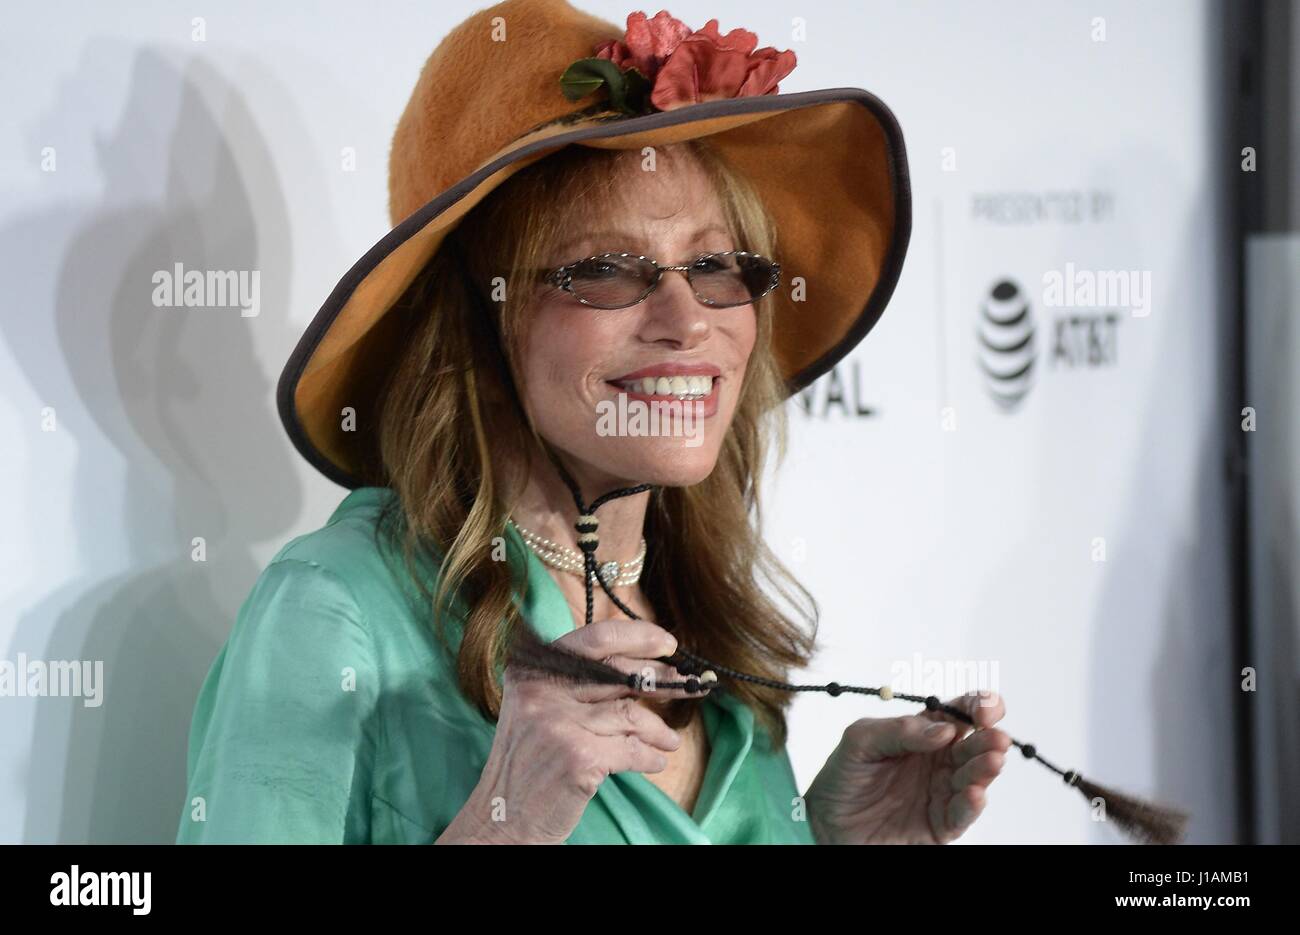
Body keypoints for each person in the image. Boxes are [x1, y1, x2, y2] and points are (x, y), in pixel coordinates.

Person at [176, 0, 1010, 845]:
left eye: (717, 265)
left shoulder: (703, 617)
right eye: (606, 270)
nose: (689, 321)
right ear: (474, 317)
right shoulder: (333, 609)